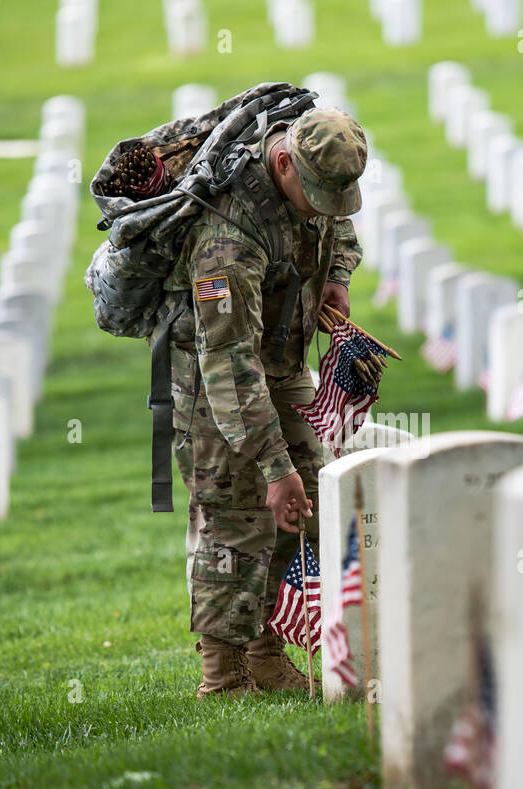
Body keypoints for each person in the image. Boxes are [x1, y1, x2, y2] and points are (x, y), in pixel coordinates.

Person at [156, 106, 367, 697]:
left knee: (310, 503)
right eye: (317, 195)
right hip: (214, 381)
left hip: (281, 360)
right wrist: (273, 469)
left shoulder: (319, 177)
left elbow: (338, 222)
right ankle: (222, 677)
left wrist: (337, 276)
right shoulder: (226, 237)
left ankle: (267, 653)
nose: (326, 207)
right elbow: (228, 363)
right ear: (282, 163)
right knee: (237, 518)